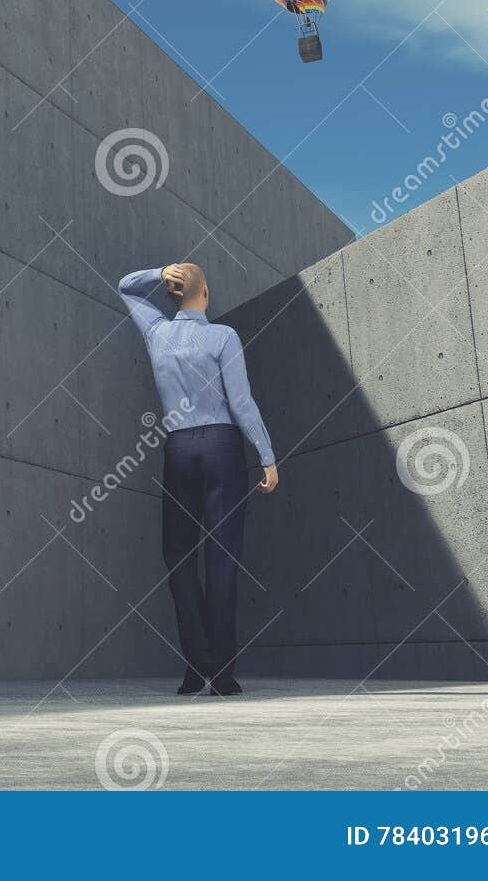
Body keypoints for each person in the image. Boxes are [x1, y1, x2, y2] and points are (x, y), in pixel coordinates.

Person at [118, 263, 278, 697]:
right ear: (204, 292)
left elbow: (126, 288)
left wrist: (157, 272)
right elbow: (241, 402)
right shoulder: (223, 336)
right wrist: (266, 456)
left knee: (179, 555)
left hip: (180, 450)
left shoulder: (156, 333)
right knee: (222, 557)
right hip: (223, 447)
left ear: (172, 292)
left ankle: (196, 664)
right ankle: (222, 673)